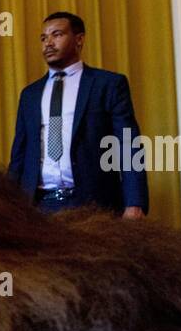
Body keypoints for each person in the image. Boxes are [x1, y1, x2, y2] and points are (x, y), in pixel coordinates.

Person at [8, 12, 148, 218]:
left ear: (79, 39)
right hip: (38, 207)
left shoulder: (107, 85)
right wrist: (7, 207)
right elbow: (19, 156)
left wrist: (134, 202)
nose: (48, 43)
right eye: (43, 38)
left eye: (57, 35)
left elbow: (128, 144)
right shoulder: (30, 94)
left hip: (93, 204)